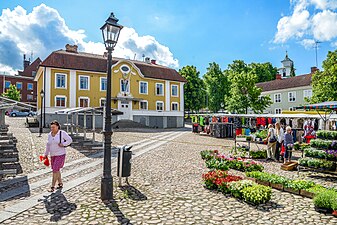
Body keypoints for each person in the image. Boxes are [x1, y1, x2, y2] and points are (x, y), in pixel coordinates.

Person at [44, 120, 72, 192]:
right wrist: (46, 154)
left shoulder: (62, 133)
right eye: (51, 127)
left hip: (60, 154)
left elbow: (69, 140)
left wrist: (63, 144)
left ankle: (52, 186)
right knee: (56, 169)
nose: (52, 129)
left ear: (57, 127)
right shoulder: (50, 134)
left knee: (55, 170)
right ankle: (60, 183)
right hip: (53, 155)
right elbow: (48, 145)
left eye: (53, 127)